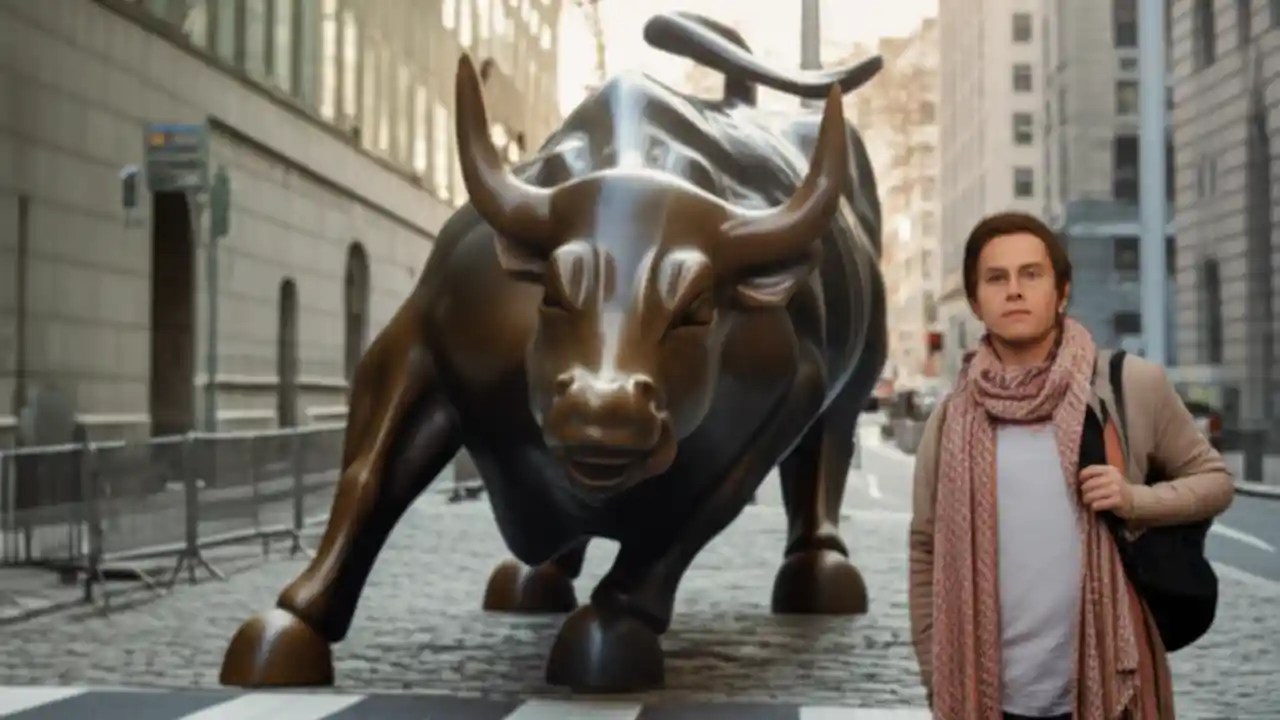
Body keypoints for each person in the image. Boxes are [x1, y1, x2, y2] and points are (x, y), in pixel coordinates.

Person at [907, 212, 1235, 719]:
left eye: (1031, 274)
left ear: (1061, 292)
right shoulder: (951, 419)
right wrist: (937, 670)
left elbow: (1214, 482)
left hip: (1107, 686)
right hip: (986, 695)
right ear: (976, 302)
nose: (1014, 290)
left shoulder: (1128, 385)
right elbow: (926, 547)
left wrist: (1134, 500)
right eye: (997, 278)